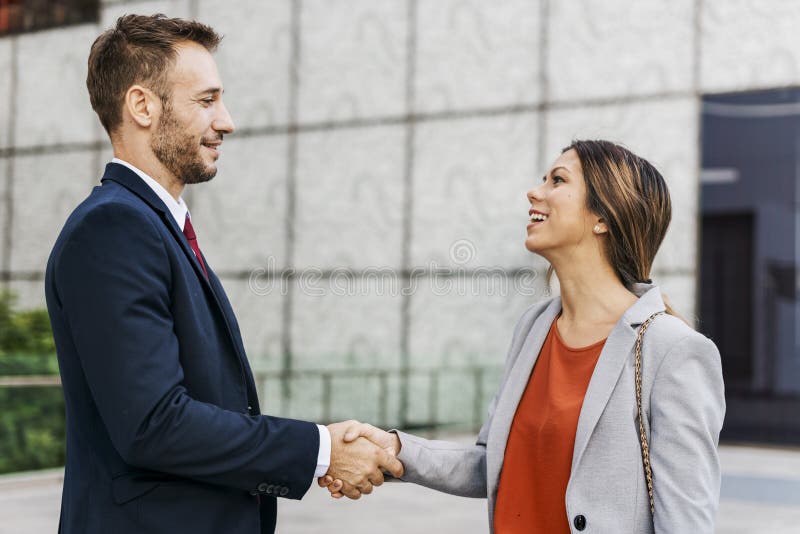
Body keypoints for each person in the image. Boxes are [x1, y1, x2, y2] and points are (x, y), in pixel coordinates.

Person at [44, 14, 401, 534]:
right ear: (142, 106)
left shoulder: (152, 225)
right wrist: (322, 450)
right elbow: (154, 424)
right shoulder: (114, 228)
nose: (227, 121)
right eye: (207, 100)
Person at [321, 140, 726, 533]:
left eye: (558, 180)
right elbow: (491, 463)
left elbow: (685, 521)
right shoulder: (534, 327)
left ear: (604, 217)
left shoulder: (673, 350)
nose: (534, 192)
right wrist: (394, 449)